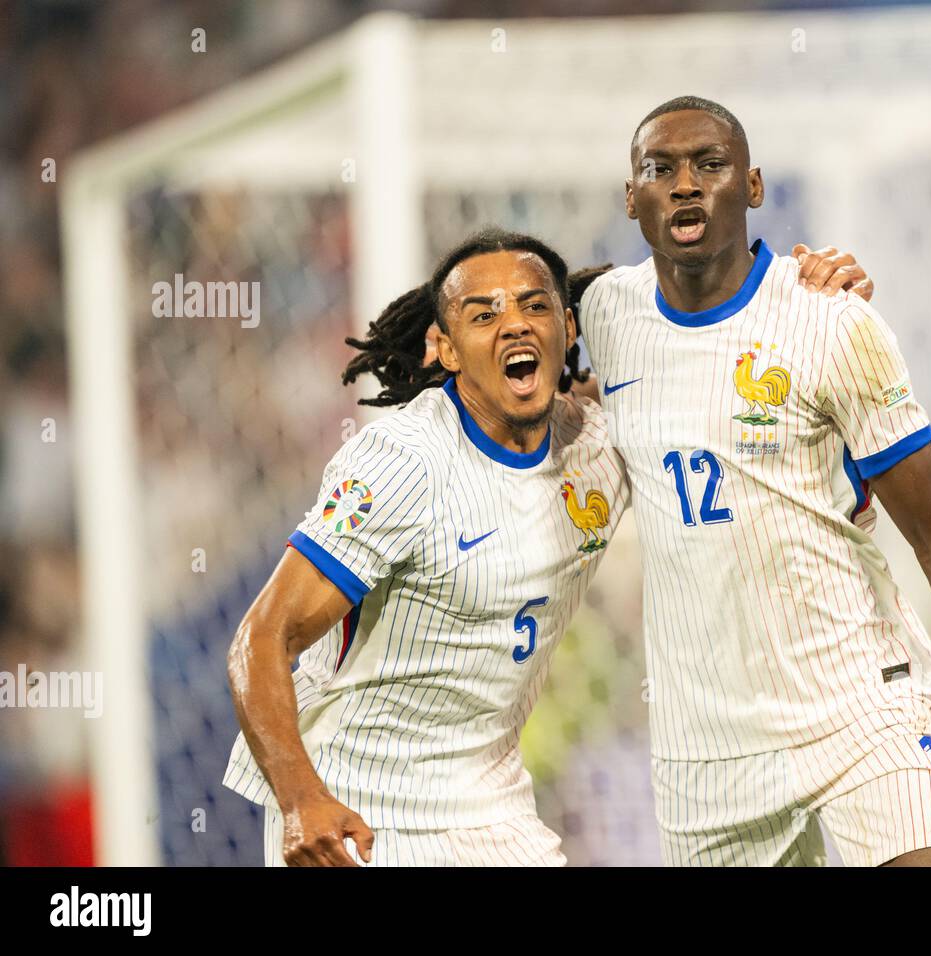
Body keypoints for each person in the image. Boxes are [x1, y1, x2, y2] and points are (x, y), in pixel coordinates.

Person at [222, 227, 864, 866]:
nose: (514, 325)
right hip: (361, 804)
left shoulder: (601, 447)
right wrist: (301, 800)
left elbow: (740, 413)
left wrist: (815, 313)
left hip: (495, 811)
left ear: (570, 329)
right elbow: (261, 638)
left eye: (534, 305)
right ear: (442, 348)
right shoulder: (401, 463)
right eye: (484, 314)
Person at [576, 96, 931, 866]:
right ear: (631, 200)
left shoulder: (832, 320)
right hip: (708, 750)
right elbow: (508, 315)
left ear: (755, 186)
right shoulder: (601, 314)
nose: (685, 184)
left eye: (710, 164)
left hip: (864, 704)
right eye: (659, 170)